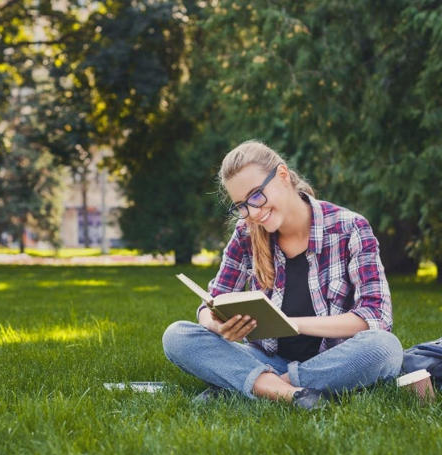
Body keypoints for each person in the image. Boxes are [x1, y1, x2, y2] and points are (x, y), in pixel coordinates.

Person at [162, 140, 403, 409]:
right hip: (264, 358)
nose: (252, 213)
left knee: (384, 347)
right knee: (177, 336)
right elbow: (212, 302)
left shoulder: (349, 228)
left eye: (256, 196)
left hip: (333, 359)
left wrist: (290, 323)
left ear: (283, 175)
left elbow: (376, 317)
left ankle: (258, 387)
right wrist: (216, 325)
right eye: (241, 205)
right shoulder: (245, 235)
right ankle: (293, 394)